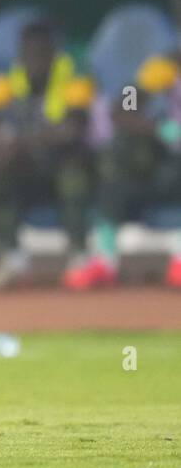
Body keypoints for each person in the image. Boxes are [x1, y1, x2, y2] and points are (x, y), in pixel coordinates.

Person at [0, 20, 94, 289]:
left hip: (63, 168)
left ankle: (80, 257)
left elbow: (71, 131)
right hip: (26, 170)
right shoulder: (8, 82)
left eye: (40, 54)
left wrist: (19, 141)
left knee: (74, 174)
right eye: (27, 55)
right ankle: (10, 257)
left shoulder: (75, 80)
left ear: (53, 54)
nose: (33, 62)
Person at [65, 51, 181, 289]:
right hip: (156, 170)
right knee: (116, 159)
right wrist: (143, 89)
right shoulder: (158, 76)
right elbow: (120, 114)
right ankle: (105, 261)